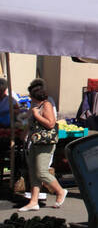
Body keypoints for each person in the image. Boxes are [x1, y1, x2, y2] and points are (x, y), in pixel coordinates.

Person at [20, 77, 66, 211]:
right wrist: (25, 132)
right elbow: (30, 122)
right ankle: (34, 201)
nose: (29, 97)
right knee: (33, 172)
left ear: (35, 96)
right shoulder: (34, 106)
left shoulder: (46, 105)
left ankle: (60, 191)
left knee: (41, 171)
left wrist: (37, 115)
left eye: (30, 95)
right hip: (35, 141)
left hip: (45, 142)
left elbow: (51, 123)